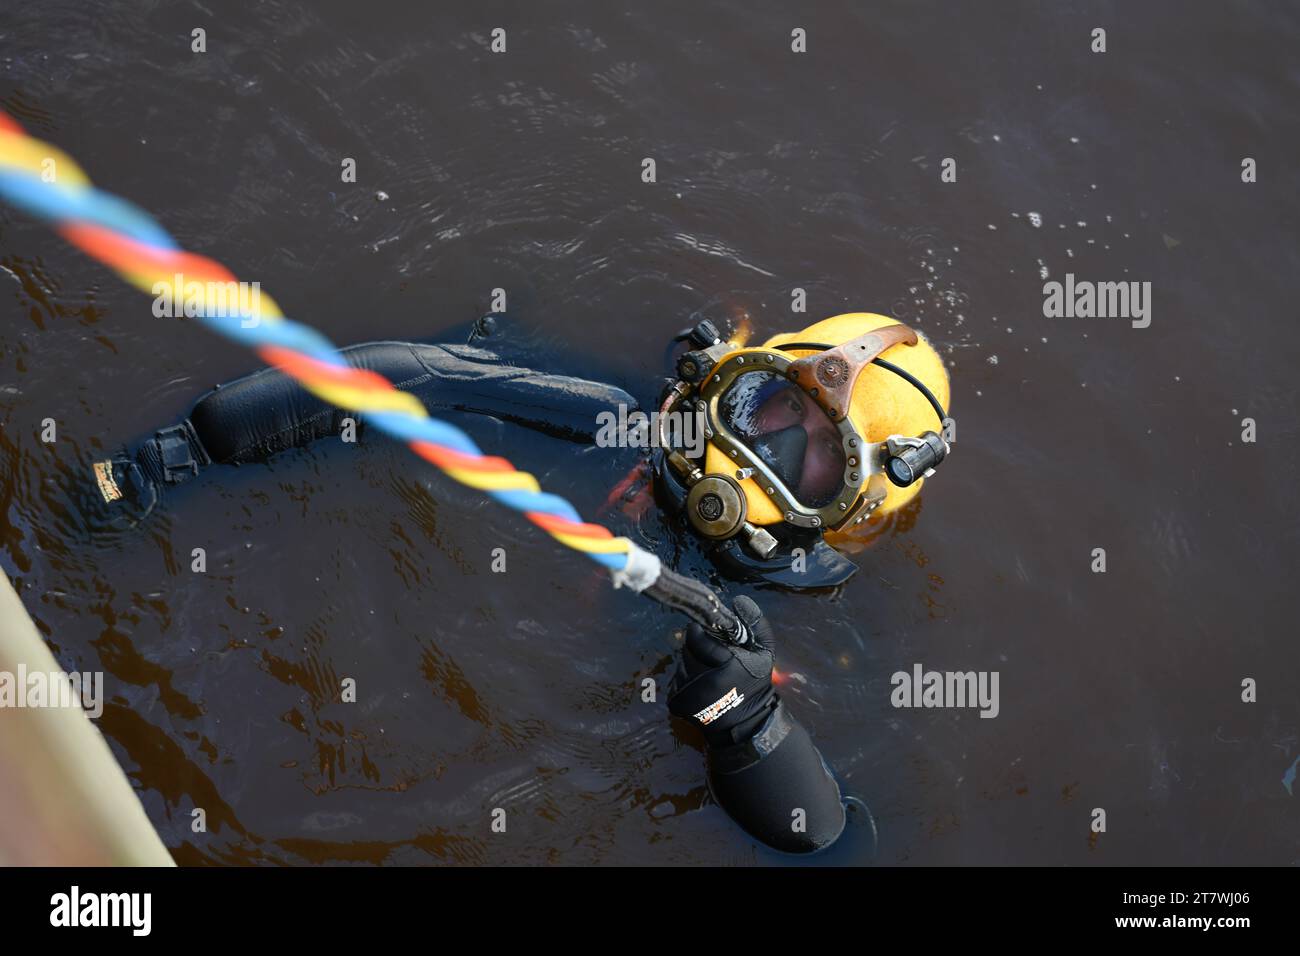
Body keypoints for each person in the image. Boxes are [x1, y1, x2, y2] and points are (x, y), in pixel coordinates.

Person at [91, 311, 952, 854]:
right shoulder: (628, 430)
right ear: (735, 379)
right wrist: (180, 454)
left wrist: (753, 727)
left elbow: (837, 845)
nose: (769, 451)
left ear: (854, 512)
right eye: (773, 408)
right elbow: (414, 378)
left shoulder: (829, 625)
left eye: (818, 457)